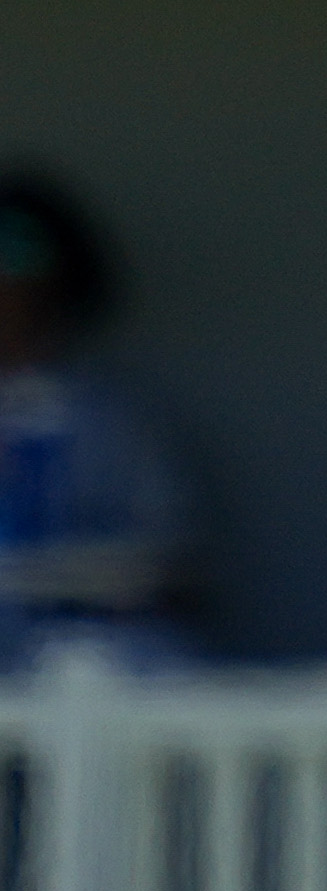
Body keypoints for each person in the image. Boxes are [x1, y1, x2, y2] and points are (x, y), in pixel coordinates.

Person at [0, 172, 196, 670]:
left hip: (85, 656)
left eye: (18, 273)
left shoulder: (111, 417)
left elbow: (172, 559)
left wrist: (58, 574)